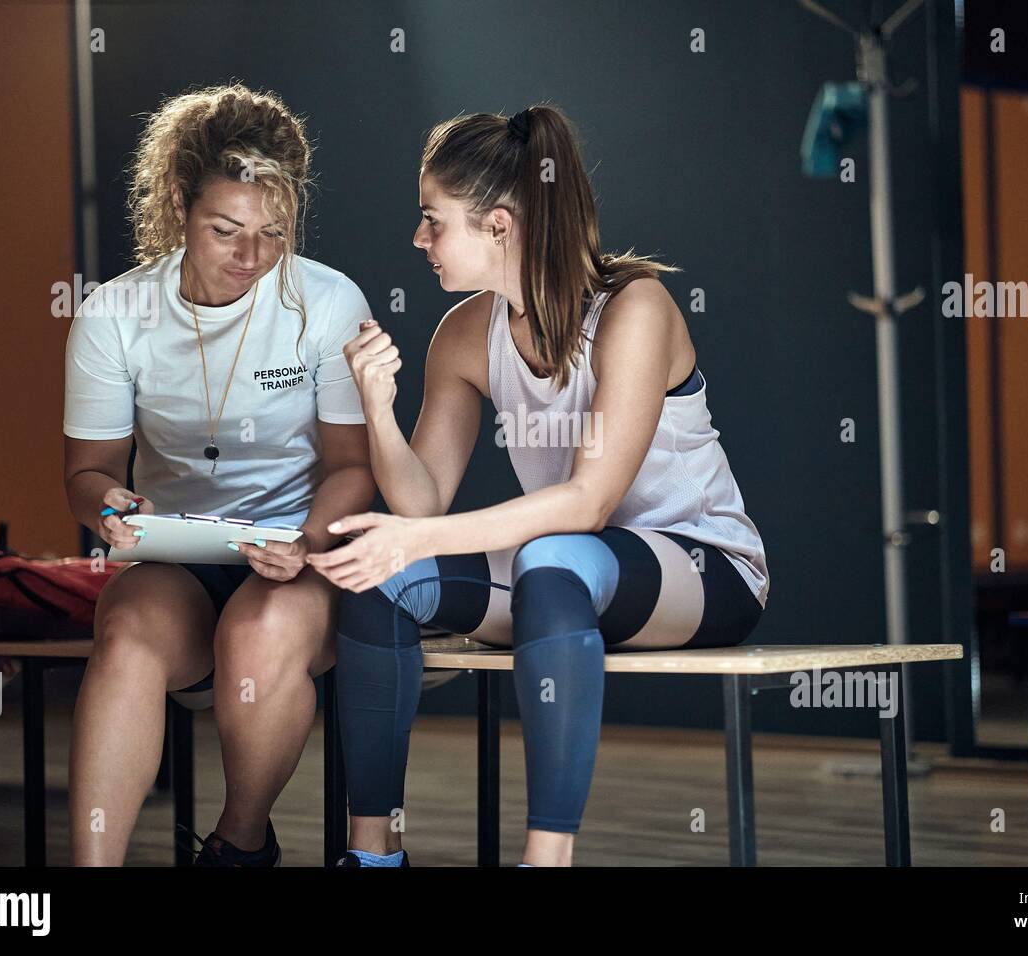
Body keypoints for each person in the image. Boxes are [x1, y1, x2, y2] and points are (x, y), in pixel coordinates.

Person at [306, 104, 769, 867]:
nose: (418, 239)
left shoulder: (635, 309)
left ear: (496, 225)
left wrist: (417, 537)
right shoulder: (462, 334)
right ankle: (374, 852)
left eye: (433, 221)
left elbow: (588, 503)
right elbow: (421, 501)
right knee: (384, 581)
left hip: (703, 566)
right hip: (564, 566)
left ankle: (545, 859)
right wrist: (379, 413)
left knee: (551, 559)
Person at [63, 84, 374, 866]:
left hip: (299, 558)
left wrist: (305, 541)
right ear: (178, 202)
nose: (251, 257)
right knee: (127, 633)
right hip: (178, 560)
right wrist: (110, 504)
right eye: (226, 230)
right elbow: (88, 471)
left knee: (259, 630)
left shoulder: (328, 301)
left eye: (273, 233)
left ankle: (237, 846)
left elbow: (351, 469)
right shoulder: (114, 314)